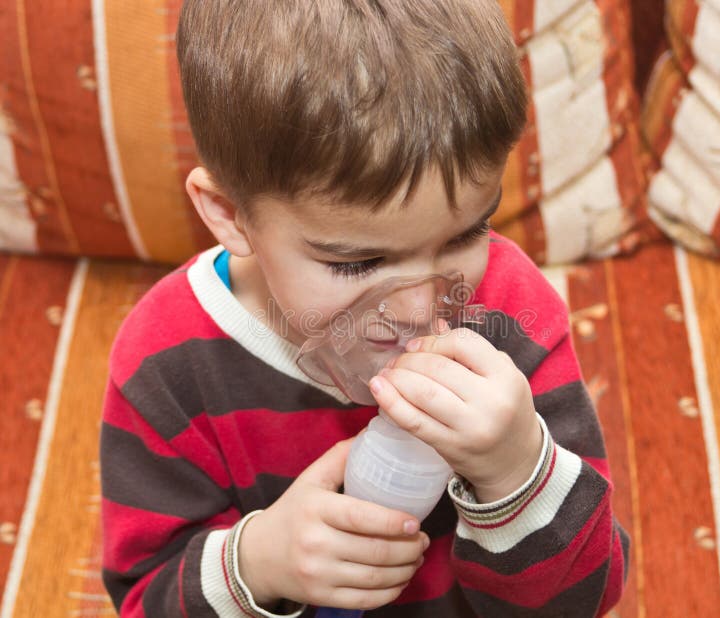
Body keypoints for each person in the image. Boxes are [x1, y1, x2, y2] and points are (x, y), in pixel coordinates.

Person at [99, 1, 630, 616]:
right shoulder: (166, 362)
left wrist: (515, 472)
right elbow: (145, 598)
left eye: (464, 235)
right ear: (229, 214)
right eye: (356, 263)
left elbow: (584, 602)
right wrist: (258, 563)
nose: (415, 309)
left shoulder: (512, 316)